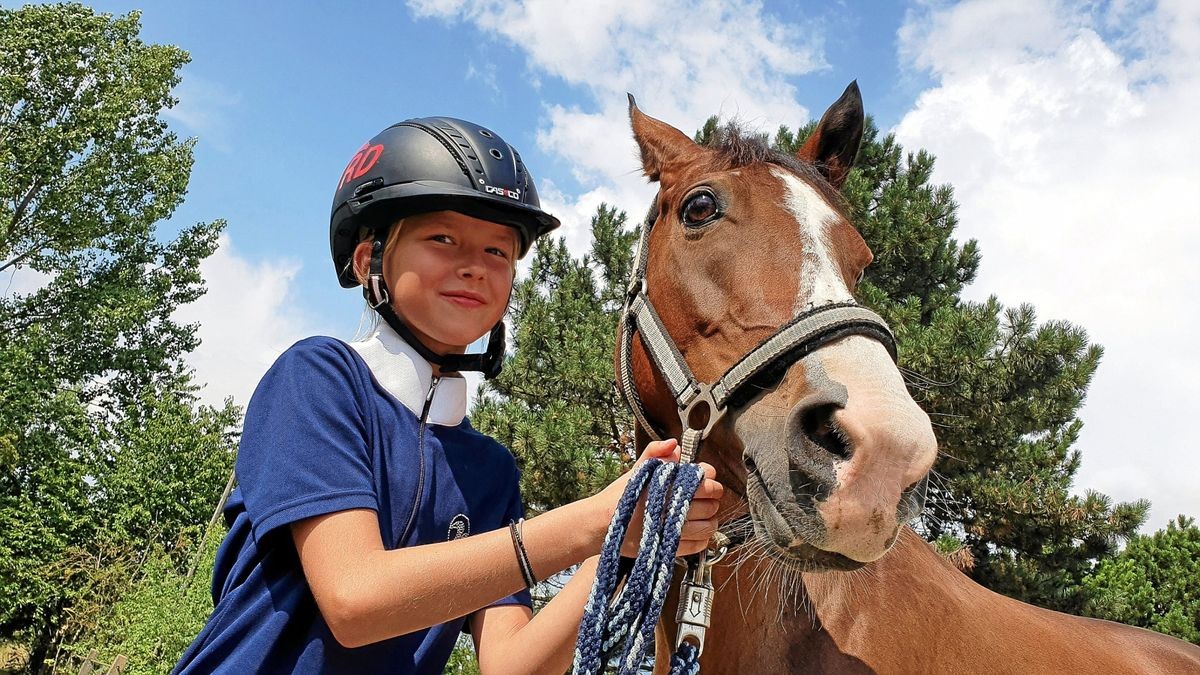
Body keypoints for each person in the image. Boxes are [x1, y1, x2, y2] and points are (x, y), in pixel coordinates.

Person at [173, 116, 723, 674]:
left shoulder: (489, 469)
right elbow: (354, 599)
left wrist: (627, 542)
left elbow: (511, 667)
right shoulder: (319, 377)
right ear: (369, 261)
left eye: (498, 253)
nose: (473, 267)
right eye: (442, 239)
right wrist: (590, 523)